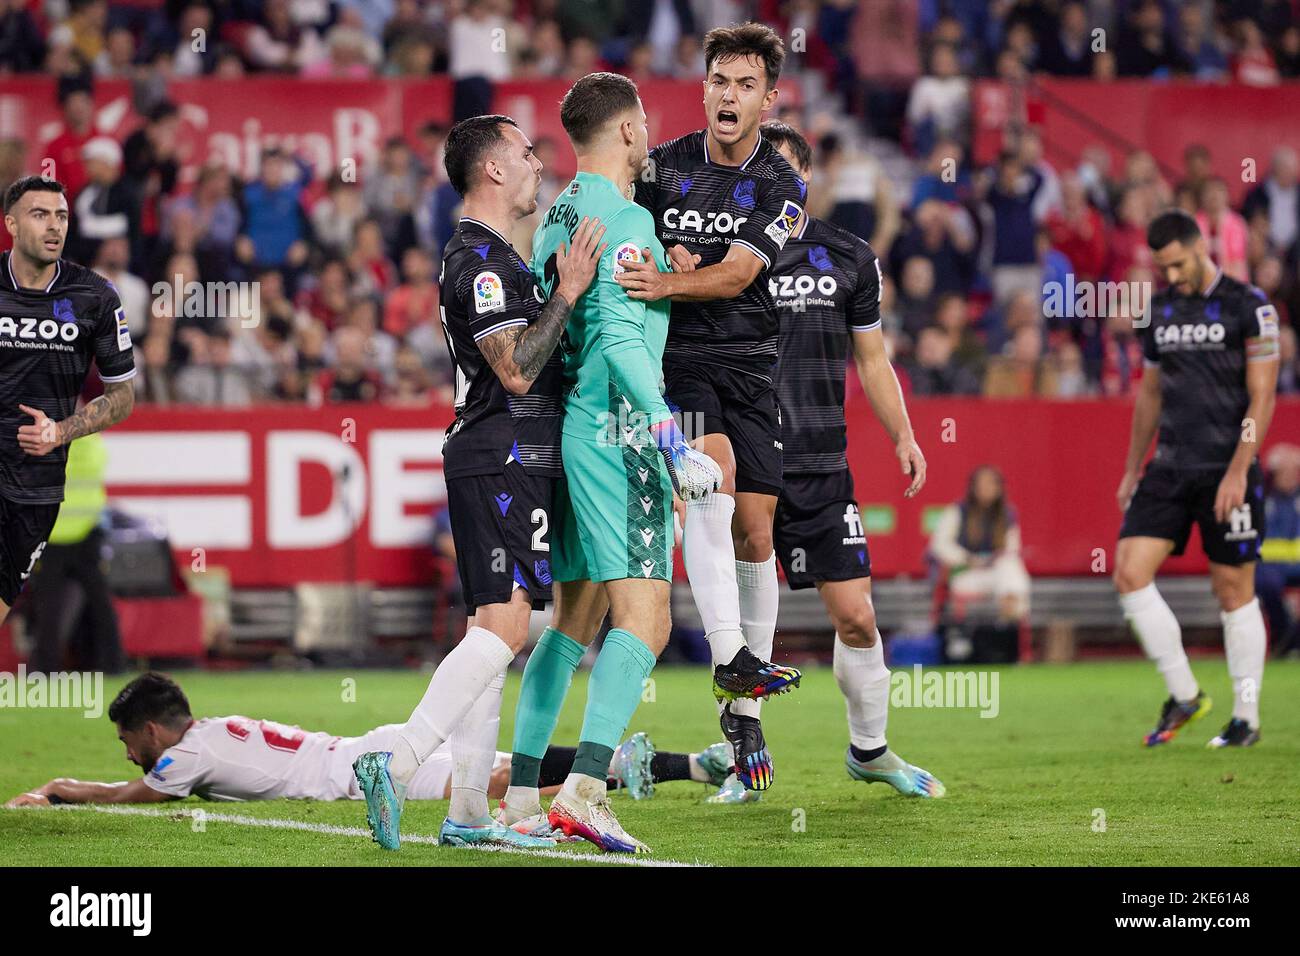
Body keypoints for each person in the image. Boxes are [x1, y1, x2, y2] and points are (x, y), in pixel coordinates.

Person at [351, 115, 605, 852]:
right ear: (492, 171)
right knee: (510, 629)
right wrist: (572, 289)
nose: (536, 164)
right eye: (525, 154)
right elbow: (517, 368)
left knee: (492, 630)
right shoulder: (480, 262)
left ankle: (467, 814)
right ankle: (393, 767)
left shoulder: (491, 255)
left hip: (504, 456)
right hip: (501, 455)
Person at [502, 72, 724, 855]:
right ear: (628, 130)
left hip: (567, 431)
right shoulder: (624, 215)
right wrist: (669, 438)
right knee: (648, 619)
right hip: (618, 434)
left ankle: (523, 797)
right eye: (645, 125)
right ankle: (586, 790)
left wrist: (671, 274)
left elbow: (572, 322)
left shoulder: (560, 215)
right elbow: (622, 341)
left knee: (570, 623)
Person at [705, 119, 940, 805]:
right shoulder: (728, 257)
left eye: (773, 170)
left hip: (821, 464)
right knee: (752, 621)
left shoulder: (848, 256)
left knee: (857, 616)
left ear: (803, 179)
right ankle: (741, 759)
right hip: (750, 459)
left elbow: (872, 357)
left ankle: (869, 749)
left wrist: (904, 434)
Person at [619, 23, 807, 796]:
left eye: (744, 85)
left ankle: (743, 708)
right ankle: (731, 655)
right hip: (677, 361)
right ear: (703, 89)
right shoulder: (661, 168)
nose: (729, 97)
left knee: (757, 529)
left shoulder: (783, 186)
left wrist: (669, 276)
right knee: (712, 474)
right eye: (718, 82)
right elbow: (620, 236)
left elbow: (734, 276)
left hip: (753, 367)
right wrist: (659, 266)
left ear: (769, 97)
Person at [5, 673, 732, 808]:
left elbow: (136, 792)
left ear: (155, 730)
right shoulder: (212, 728)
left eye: (132, 739)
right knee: (512, 769)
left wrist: (67, 789)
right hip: (370, 746)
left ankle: (612, 779)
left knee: (513, 789)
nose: (131, 753)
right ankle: (678, 764)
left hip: (368, 773)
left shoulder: (182, 755)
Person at [1114, 210, 1279, 749]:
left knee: (1233, 589)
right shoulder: (1159, 308)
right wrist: (1134, 467)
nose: (1174, 277)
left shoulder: (1249, 306)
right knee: (1129, 572)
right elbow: (1151, 393)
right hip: (1169, 466)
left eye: (1179, 265)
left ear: (1200, 245)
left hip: (1226, 466)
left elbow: (1262, 395)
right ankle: (1185, 693)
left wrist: (1238, 468)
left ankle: (1246, 719)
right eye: (1164, 268)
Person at [0, 177, 136, 625]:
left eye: (61, 216)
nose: (54, 226)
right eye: (40, 215)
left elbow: (122, 396)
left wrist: (61, 431)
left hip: (33, 487)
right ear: (13, 224)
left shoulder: (94, 297)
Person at [26, 432, 123, 674]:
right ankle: (113, 665)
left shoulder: (39, 443)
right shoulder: (93, 444)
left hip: (51, 537)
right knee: (101, 605)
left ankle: (44, 670)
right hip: (87, 534)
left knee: (49, 610)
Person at [929, 465, 1031, 625]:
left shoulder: (1007, 514)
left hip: (996, 577)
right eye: (981, 485)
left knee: (1010, 567)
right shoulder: (957, 511)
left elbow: (1012, 551)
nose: (986, 489)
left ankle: (1009, 623)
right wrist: (968, 559)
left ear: (999, 488)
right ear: (973, 488)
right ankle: (1006, 625)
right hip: (965, 575)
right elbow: (939, 545)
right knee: (1009, 578)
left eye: (991, 484)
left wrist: (995, 559)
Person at [1257, 443, 1300, 657]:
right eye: (1287, 471)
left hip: (1297, 566)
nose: (1292, 476)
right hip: (1271, 568)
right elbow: (1263, 543)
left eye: (1295, 471)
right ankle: (1285, 639)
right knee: (1267, 582)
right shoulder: (1263, 501)